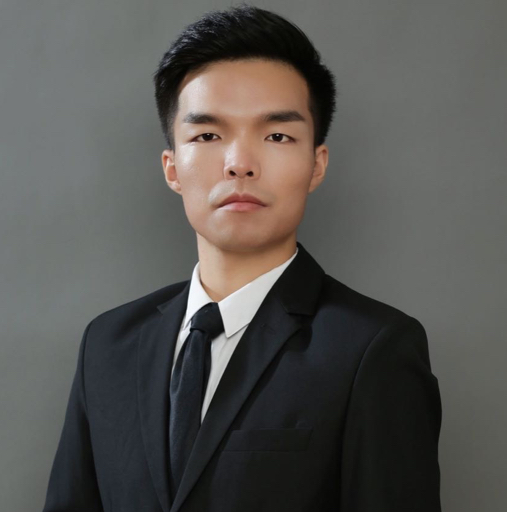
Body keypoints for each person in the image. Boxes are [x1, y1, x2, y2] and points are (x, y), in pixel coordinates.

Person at [42, 4, 442, 512]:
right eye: (208, 135)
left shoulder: (374, 350)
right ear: (172, 167)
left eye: (277, 136)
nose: (239, 164)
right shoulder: (107, 345)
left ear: (316, 164)